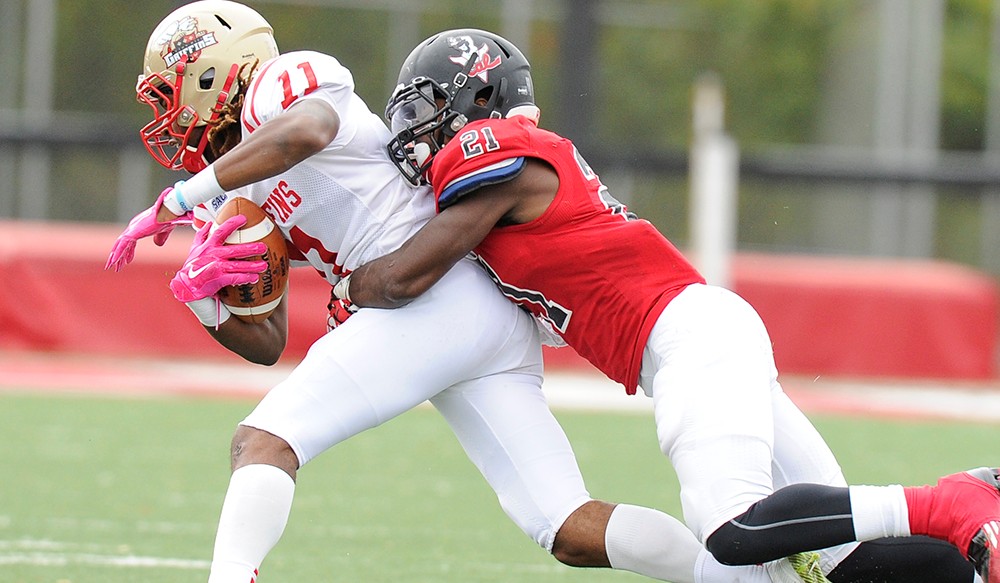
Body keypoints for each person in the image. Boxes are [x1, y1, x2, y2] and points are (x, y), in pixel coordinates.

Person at [104, 3, 832, 582]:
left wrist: (184, 197)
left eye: (170, 92)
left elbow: (310, 130)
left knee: (264, 441)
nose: (167, 115)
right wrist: (206, 301)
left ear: (215, 73)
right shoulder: (238, 187)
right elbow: (265, 344)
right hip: (471, 316)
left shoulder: (280, 87)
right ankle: (740, 577)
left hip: (433, 292)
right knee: (568, 527)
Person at [337, 28, 999, 583]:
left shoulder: (491, 149)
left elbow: (403, 277)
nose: (415, 128)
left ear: (479, 97)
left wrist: (345, 281)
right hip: (702, 330)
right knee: (838, 562)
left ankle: (952, 499)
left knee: (733, 530)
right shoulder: (514, 191)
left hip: (687, 337)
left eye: (429, 104)